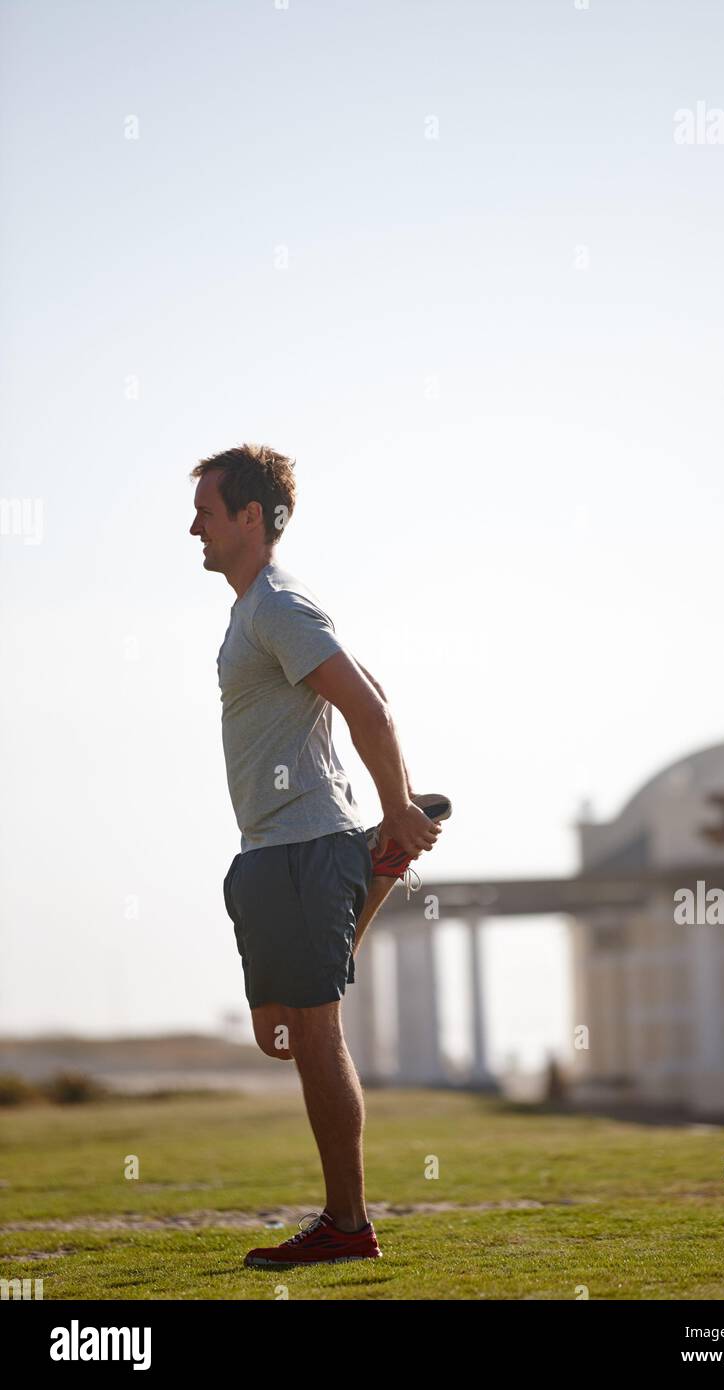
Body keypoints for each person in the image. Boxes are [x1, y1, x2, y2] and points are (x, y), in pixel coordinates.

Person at [189, 442, 449, 1268]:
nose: (193, 524)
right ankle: (367, 875)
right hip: (275, 851)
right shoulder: (258, 609)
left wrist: (398, 807)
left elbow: (369, 706)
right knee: (283, 1030)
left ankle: (346, 1224)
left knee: (316, 1031)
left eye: (207, 508)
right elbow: (369, 689)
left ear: (252, 519)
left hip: (303, 847)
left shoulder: (276, 606)